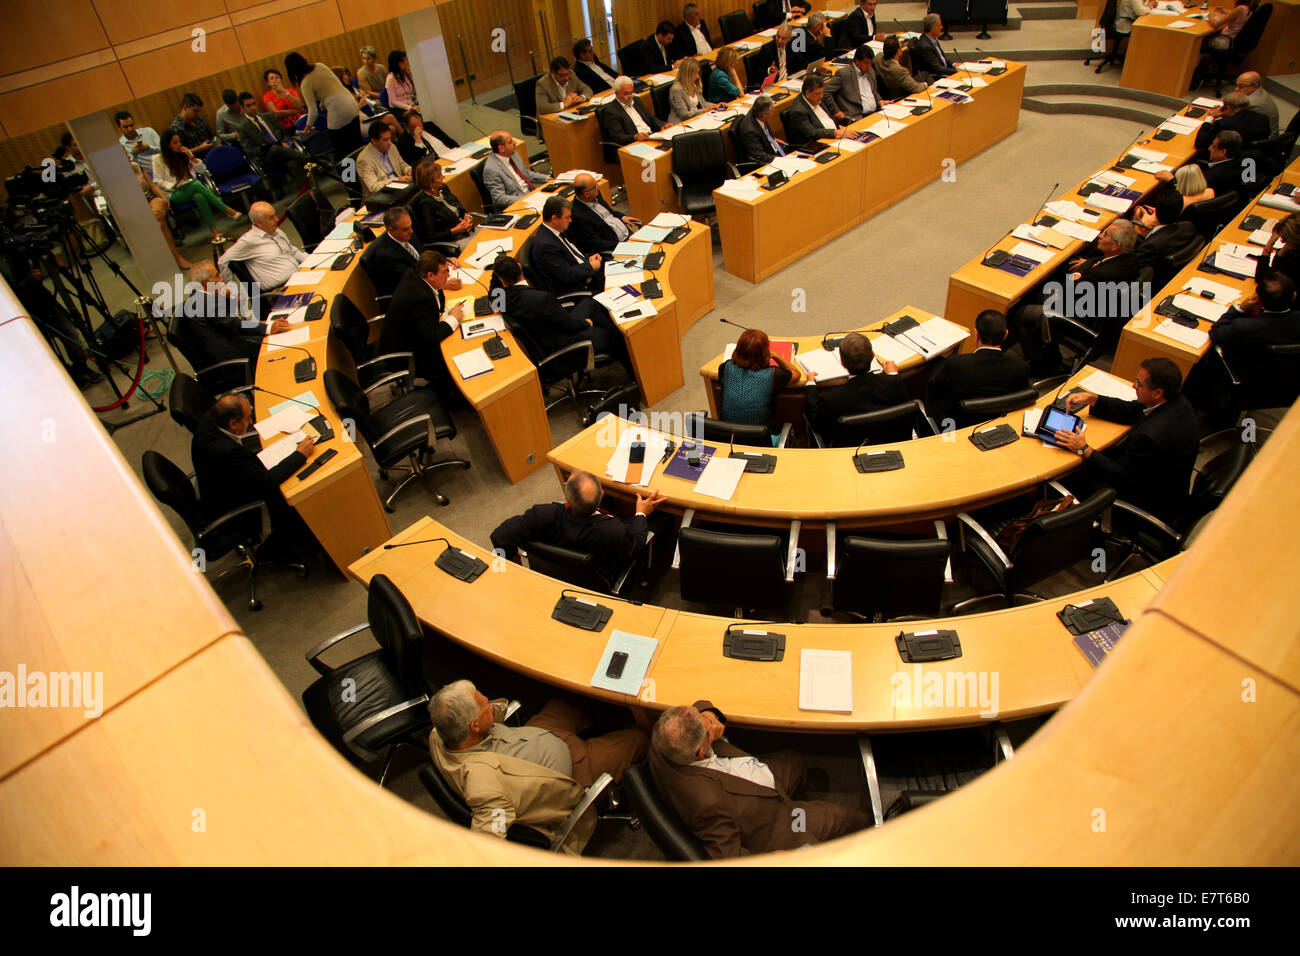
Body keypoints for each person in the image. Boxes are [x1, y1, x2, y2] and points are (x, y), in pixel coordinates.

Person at [428, 679, 647, 849]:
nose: (487, 699)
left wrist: (486, 712)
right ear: (474, 727)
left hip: (533, 733)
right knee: (640, 739)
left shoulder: (440, 733)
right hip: (574, 768)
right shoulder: (485, 789)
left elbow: (475, 714)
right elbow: (487, 845)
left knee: (576, 690)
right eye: (481, 702)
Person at [649, 701, 868, 858]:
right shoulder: (708, 807)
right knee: (844, 819)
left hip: (759, 780)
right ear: (700, 752)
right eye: (707, 727)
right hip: (781, 825)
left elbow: (693, 711)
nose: (709, 724)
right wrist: (775, 859)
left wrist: (708, 713)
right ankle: (876, 829)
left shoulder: (664, 738)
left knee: (795, 760)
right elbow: (727, 858)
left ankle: (797, 795)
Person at [1052, 358, 1199, 525]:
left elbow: (1122, 477)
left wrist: (1083, 449)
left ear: (1158, 392)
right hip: (1164, 482)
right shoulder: (1175, 402)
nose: (1133, 387)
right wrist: (1093, 399)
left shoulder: (1150, 436)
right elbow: (1132, 409)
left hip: (1148, 500)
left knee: (1073, 474)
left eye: (1139, 384)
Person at [191, 393, 318, 562]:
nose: (251, 423)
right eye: (247, 418)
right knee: (296, 485)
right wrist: (300, 454)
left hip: (219, 485)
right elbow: (266, 483)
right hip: (233, 504)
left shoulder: (210, 419)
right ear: (233, 423)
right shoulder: (226, 452)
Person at [1012, 220, 1140, 376]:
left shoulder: (1102, 273)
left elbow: (1067, 289)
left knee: (1021, 312)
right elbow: (1093, 261)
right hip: (1096, 308)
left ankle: (1042, 365)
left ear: (1116, 246)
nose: (1099, 235)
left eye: (1105, 235)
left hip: (1083, 321)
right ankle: (1043, 336)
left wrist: (1078, 274)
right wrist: (1083, 270)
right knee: (1040, 293)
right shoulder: (1130, 260)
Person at [490, 469, 664, 577]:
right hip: (604, 571)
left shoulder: (542, 515)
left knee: (613, 506)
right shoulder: (613, 531)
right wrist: (641, 513)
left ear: (567, 502)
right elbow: (634, 547)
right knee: (661, 521)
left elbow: (499, 536)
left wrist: (516, 565)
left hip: (560, 567)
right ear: (601, 494)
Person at [493, 253, 632, 378]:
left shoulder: (500, 299)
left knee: (590, 303)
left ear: (502, 280)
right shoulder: (541, 299)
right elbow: (570, 325)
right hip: (563, 340)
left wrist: (498, 271)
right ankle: (635, 377)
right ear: (519, 266)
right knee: (614, 337)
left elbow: (493, 290)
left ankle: (619, 328)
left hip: (547, 332)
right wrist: (585, 323)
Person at [0, 251, 101, 389]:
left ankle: (81, 368)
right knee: (43, 346)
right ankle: (66, 376)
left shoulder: (11, 246)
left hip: (41, 298)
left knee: (69, 332)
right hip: (17, 310)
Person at [378, 249, 464, 398]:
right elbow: (432, 338)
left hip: (412, 333)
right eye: (444, 272)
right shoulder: (419, 297)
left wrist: (444, 285)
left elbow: (438, 299)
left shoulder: (417, 275)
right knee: (458, 354)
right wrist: (453, 319)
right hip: (407, 353)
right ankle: (447, 394)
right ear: (430, 275)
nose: (449, 275)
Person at [924, 311, 1030, 428]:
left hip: (957, 425)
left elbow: (933, 387)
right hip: (999, 423)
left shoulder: (956, 364)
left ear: (977, 334)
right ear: (1006, 335)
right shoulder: (1021, 366)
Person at [175, 262, 292, 365]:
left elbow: (226, 319)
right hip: (232, 355)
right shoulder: (205, 303)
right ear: (206, 282)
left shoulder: (200, 295)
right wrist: (269, 328)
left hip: (231, 339)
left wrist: (228, 297)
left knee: (280, 338)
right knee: (285, 346)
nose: (221, 279)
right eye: (217, 276)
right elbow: (234, 323)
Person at [805, 332, 908, 441]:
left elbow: (815, 422)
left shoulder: (832, 398)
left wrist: (810, 384)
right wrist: (893, 375)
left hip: (849, 451)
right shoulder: (893, 383)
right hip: (892, 442)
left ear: (843, 363)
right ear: (873, 356)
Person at [152, 131, 242, 239]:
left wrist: (192, 158)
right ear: (167, 145)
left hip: (190, 187)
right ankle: (228, 210)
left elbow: (202, 170)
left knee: (199, 197)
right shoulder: (157, 159)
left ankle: (215, 231)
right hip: (174, 193)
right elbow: (157, 181)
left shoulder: (184, 154)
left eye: (179, 141)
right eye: (175, 143)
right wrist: (175, 184)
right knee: (197, 185)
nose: (179, 145)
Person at [718, 327, 802, 432]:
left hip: (728, 437)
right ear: (765, 354)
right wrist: (776, 356)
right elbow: (796, 374)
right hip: (760, 441)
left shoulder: (725, 367)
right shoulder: (772, 375)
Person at [285, 52, 362, 161]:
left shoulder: (305, 82)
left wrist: (307, 128)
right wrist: (323, 103)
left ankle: (349, 177)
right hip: (352, 105)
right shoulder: (320, 66)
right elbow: (332, 86)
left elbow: (313, 111)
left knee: (342, 154)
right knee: (357, 146)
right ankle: (363, 173)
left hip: (338, 113)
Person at [218, 200, 305, 292]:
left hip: (298, 277)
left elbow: (293, 251)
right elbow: (223, 261)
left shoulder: (275, 231)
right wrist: (232, 291)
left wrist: (314, 261)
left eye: (275, 215)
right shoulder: (249, 241)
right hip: (281, 289)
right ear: (258, 222)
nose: (277, 219)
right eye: (271, 218)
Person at [231, 91, 309, 188]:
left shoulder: (269, 116)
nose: (253, 108)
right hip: (267, 159)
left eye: (254, 104)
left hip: (284, 152)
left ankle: (308, 192)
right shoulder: (243, 128)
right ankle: (309, 159)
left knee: (292, 163)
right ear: (242, 108)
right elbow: (249, 151)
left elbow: (284, 134)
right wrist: (268, 147)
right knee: (274, 148)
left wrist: (286, 142)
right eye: (249, 106)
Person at [531, 196, 604, 294]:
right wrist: (590, 267)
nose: (570, 220)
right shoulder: (546, 245)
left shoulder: (557, 230)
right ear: (554, 218)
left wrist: (589, 258)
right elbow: (566, 275)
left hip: (586, 275)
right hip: (579, 290)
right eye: (567, 217)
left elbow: (573, 255)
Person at [567, 172, 640, 257]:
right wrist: (624, 246)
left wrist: (622, 217)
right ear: (586, 194)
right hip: (616, 246)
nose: (598, 186)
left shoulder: (595, 194)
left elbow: (609, 211)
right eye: (595, 186)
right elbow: (595, 242)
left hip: (628, 235)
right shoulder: (577, 215)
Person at [408, 160, 475, 251]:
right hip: (453, 241)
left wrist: (468, 217)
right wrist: (456, 230)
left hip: (467, 231)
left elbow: (459, 207)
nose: (443, 177)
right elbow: (431, 236)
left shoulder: (443, 188)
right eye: (439, 176)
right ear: (430, 182)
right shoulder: (426, 205)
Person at [134, 162, 190, 269]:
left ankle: (160, 257)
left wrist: (163, 198)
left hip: (150, 198)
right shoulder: (117, 177)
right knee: (158, 220)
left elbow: (153, 186)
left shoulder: (137, 166)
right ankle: (175, 257)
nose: (127, 154)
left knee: (158, 210)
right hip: (135, 206)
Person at [1158, 131, 1247, 197]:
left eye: (1213, 146)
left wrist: (1170, 179)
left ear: (1223, 152)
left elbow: (1186, 190)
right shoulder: (1245, 159)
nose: (1209, 148)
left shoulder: (1213, 176)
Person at [359, 205, 422, 297]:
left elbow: (423, 253)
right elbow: (412, 279)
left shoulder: (406, 234)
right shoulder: (386, 255)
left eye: (410, 226)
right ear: (391, 229)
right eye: (406, 229)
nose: (411, 231)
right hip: (412, 293)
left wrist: (444, 261)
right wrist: (442, 283)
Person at [483, 129, 549, 208]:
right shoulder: (491, 169)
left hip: (532, 195)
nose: (515, 142)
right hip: (518, 204)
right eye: (510, 142)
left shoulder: (512, 153)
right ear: (501, 148)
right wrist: (525, 199)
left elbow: (526, 174)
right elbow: (499, 198)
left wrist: (547, 178)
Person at [1132, 194, 1197, 270]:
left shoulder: (1150, 246)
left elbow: (1133, 266)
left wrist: (1134, 232)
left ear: (1155, 211)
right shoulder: (1188, 227)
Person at [782, 73, 848, 147]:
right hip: (816, 144)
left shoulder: (816, 98)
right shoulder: (798, 111)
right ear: (807, 93)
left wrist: (839, 128)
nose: (821, 96)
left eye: (822, 92)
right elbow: (812, 133)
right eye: (818, 94)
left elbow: (828, 119)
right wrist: (835, 132)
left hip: (834, 137)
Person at [1193, 90, 1269, 153]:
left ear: (1228, 108)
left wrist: (1210, 117)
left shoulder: (1223, 124)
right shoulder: (1263, 118)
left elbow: (1199, 143)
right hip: (1253, 157)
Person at [825, 45, 882, 123]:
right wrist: (836, 111)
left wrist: (879, 100)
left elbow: (874, 92)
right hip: (855, 118)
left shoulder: (870, 71)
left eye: (870, 63)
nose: (869, 66)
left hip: (875, 114)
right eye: (866, 63)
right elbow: (825, 91)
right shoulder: (844, 74)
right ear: (857, 61)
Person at [603, 76, 665, 145]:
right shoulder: (612, 111)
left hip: (651, 137)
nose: (630, 96)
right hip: (635, 143)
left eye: (631, 92)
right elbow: (618, 137)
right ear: (617, 93)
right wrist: (635, 137)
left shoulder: (636, 100)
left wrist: (662, 125)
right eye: (626, 93)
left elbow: (651, 118)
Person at [356, 122, 411, 194]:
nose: (389, 142)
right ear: (374, 141)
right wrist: (397, 180)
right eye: (385, 140)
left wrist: (409, 170)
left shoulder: (391, 147)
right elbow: (373, 187)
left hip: (401, 188)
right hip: (382, 196)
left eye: (390, 138)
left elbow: (402, 164)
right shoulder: (364, 160)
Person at [735, 95, 788, 165]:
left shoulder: (758, 114)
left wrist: (772, 140)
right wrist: (781, 161)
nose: (774, 110)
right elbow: (759, 155)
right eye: (772, 109)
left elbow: (765, 133)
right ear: (764, 115)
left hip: (772, 150)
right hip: (765, 161)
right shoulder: (750, 131)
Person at [1256, 213, 1300, 289]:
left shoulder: (1295, 260)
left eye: (1285, 239)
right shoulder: (1294, 250)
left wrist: (1269, 244)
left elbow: (1264, 279)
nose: (1283, 243)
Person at [914, 14, 957, 79]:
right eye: (939, 25)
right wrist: (957, 71)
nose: (942, 27)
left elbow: (942, 58)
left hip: (944, 72)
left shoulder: (933, 39)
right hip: (936, 77)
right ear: (933, 28)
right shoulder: (925, 46)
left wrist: (954, 65)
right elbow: (937, 69)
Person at [667, 57, 708, 125]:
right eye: (696, 73)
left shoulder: (694, 84)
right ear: (687, 73)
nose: (698, 76)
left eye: (698, 73)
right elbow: (685, 115)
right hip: (681, 124)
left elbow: (703, 103)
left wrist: (715, 106)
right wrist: (704, 110)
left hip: (695, 119)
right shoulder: (676, 89)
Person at [384, 50, 418, 118]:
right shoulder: (391, 78)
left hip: (410, 104)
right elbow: (393, 101)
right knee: (415, 116)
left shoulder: (406, 74)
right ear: (396, 63)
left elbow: (415, 89)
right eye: (403, 61)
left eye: (405, 60)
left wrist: (411, 75)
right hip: (399, 109)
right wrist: (410, 108)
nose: (406, 62)